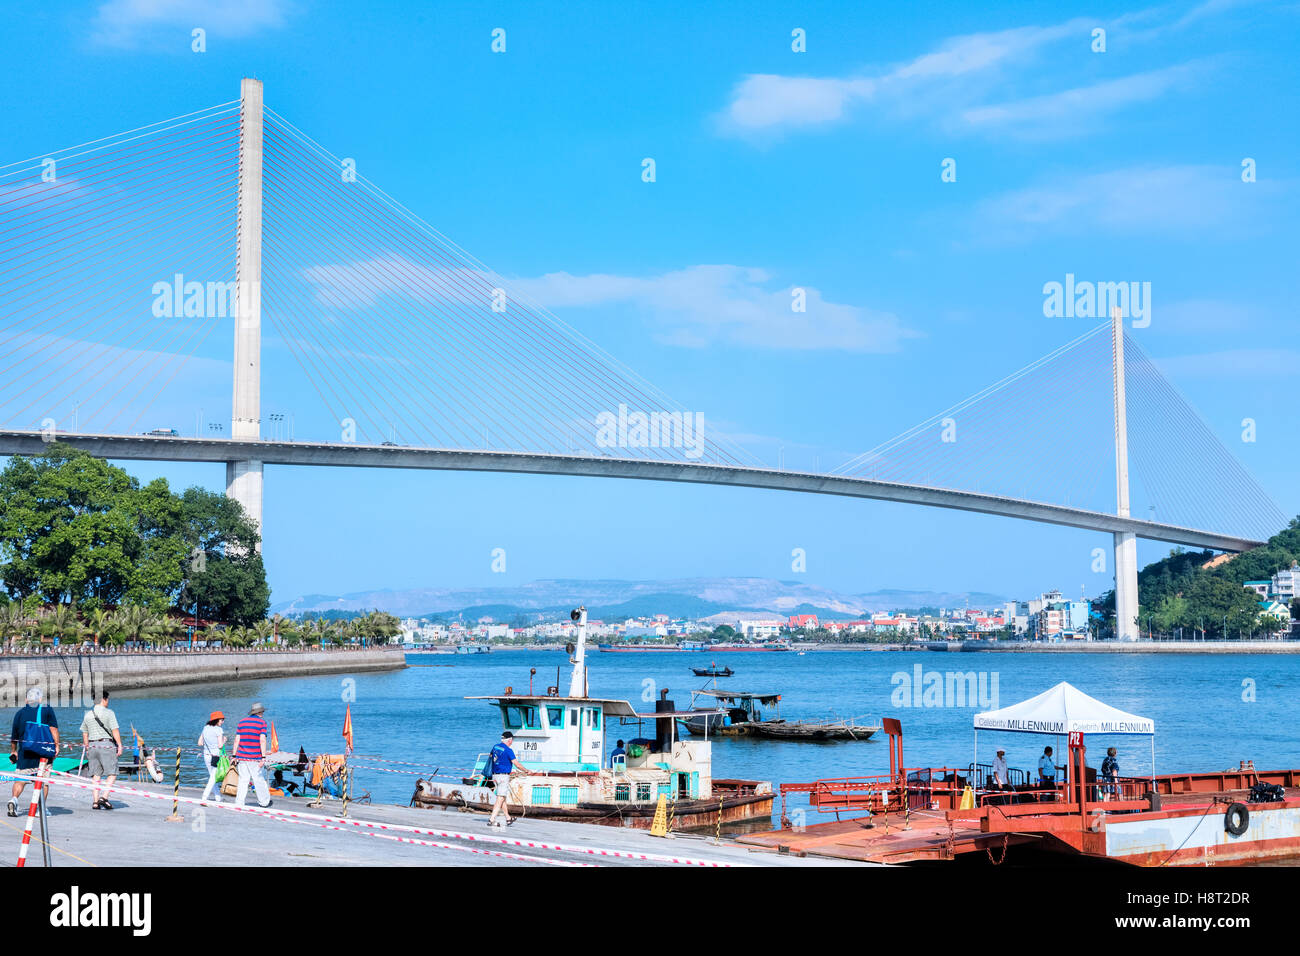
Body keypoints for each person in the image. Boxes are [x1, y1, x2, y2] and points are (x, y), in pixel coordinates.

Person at [8, 688, 60, 817]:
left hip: (25, 752)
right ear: (40, 699)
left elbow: (14, 737)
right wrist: (57, 746)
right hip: (43, 754)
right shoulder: (46, 709)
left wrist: (14, 751)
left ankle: (14, 800)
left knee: (20, 780)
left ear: (26, 699)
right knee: (43, 782)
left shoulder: (19, 713)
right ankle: (38, 809)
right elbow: (53, 729)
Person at [79, 689, 123, 810]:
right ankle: (104, 797)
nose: (108, 702)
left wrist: (87, 747)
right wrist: (119, 745)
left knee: (96, 774)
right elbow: (115, 730)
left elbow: (84, 733)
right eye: (107, 699)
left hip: (92, 746)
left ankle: (95, 801)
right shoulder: (109, 713)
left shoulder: (88, 714)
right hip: (106, 744)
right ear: (104, 699)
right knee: (113, 772)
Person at [486, 731, 531, 827]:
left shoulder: (495, 747)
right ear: (509, 740)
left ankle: (508, 818)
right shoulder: (508, 750)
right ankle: (492, 819)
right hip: (503, 777)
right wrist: (526, 770)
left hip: (495, 776)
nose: (512, 742)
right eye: (512, 740)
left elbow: (491, 757)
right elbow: (517, 764)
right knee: (500, 798)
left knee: (502, 798)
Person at [232, 702, 273, 809]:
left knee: (243, 780)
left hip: (241, 756)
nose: (263, 713)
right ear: (260, 712)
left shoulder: (242, 722)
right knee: (258, 779)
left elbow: (237, 740)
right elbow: (262, 740)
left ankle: (239, 802)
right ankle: (263, 802)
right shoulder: (262, 723)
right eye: (262, 711)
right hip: (255, 757)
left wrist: (234, 755)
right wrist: (263, 757)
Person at [198, 711, 226, 803]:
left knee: (212, 776)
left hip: (206, 755)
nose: (223, 721)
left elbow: (200, 743)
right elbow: (220, 745)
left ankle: (218, 798)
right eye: (222, 720)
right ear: (217, 720)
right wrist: (224, 740)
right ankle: (204, 797)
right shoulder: (218, 730)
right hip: (215, 756)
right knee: (213, 778)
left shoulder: (205, 728)